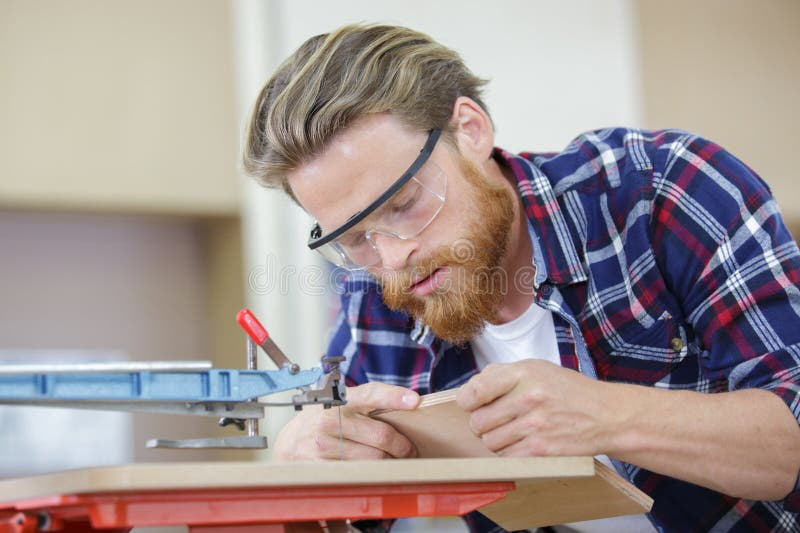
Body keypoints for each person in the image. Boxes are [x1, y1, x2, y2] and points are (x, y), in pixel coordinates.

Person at [242, 23, 800, 532]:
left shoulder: (660, 191)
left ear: (470, 131)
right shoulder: (376, 287)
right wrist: (304, 464)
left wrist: (608, 415)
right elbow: (344, 474)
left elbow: (790, 434)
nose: (393, 260)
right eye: (355, 238)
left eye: (405, 203)